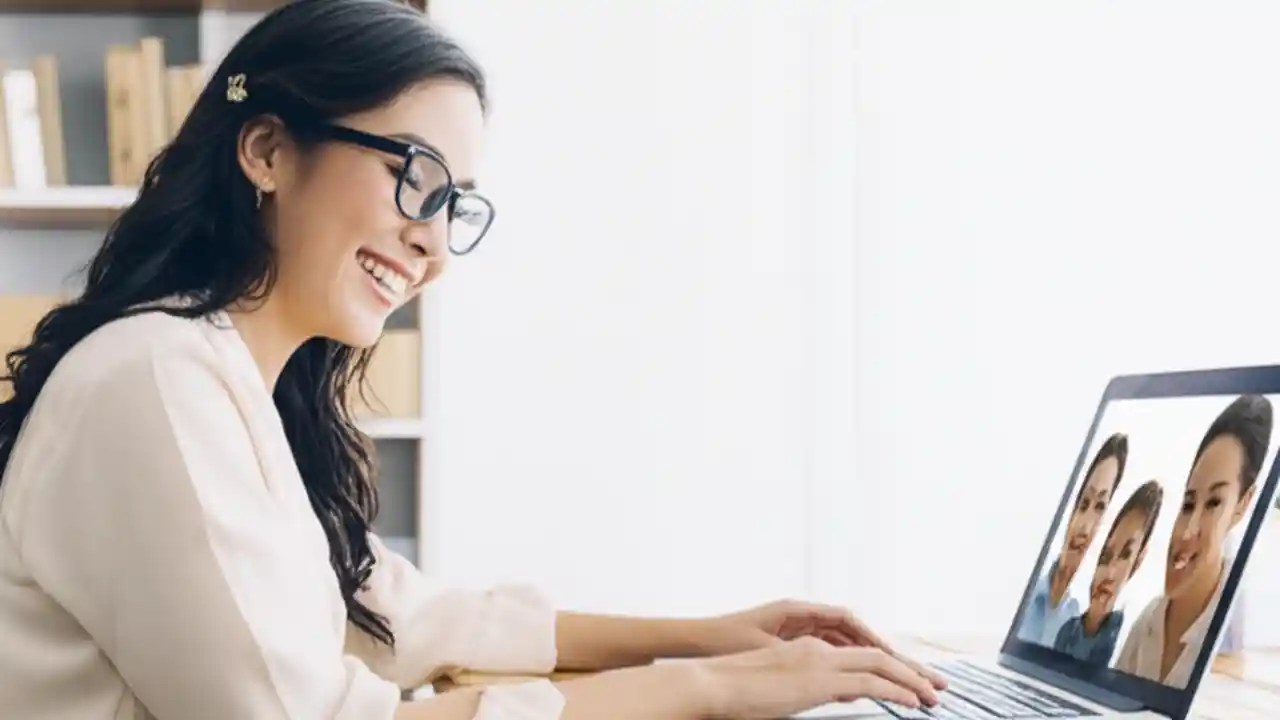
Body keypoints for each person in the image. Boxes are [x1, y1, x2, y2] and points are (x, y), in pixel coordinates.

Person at [0, 2, 946, 719]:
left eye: (454, 203)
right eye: (413, 174)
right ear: (266, 150)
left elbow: (403, 616)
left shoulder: (243, 389)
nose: (434, 243)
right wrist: (708, 686)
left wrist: (711, 634)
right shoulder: (155, 375)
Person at [1114, 395, 1272, 688]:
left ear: (1242, 504)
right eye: (1188, 504)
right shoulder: (1148, 621)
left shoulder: (1230, 632)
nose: (1188, 531)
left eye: (1214, 503)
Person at [1017, 432, 1129, 647]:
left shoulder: (1081, 619)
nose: (1085, 528)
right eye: (1084, 503)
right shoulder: (1028, 589)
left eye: (1099, 507)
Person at [1052, 480, 1163, 665]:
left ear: (1138, 561)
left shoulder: (1126, 643)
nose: (1109, 573)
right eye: (1106, 556)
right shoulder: (1067, 630)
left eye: (1125, 555)